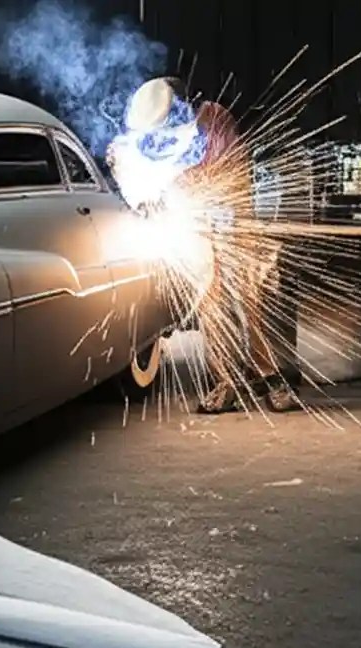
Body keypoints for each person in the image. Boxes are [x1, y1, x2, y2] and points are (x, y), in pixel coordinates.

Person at [107, 77, 297, 414]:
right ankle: (225, 381)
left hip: (236, 220)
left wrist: (189, 191)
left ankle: (271, 377)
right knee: (211, 304)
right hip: (197, 222)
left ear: (187, 105)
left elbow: (228, 176)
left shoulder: (215, 119)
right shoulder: (157, 129)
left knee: (251, 299)